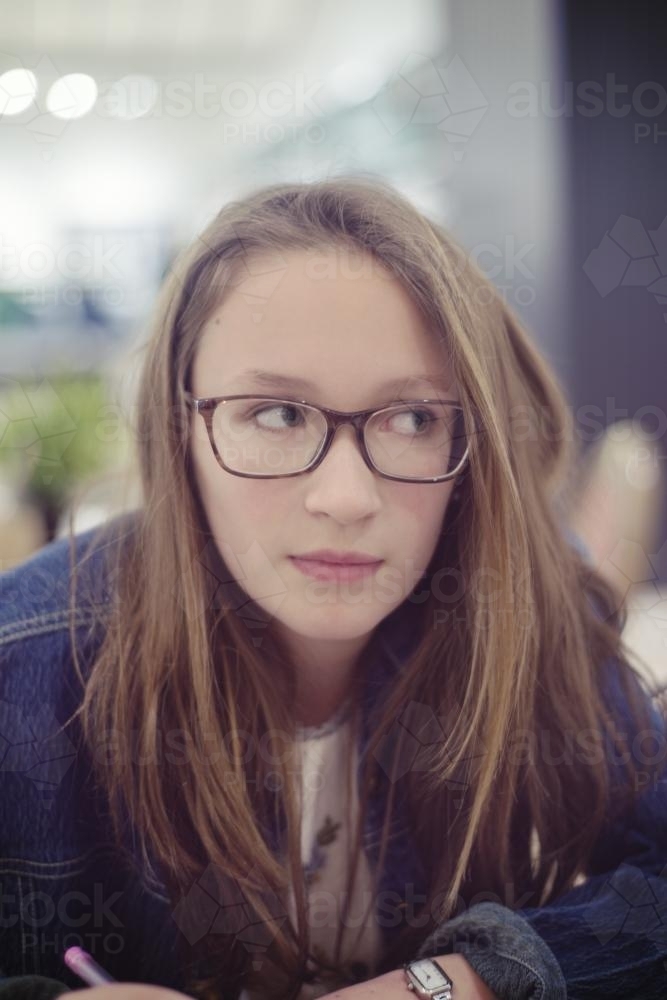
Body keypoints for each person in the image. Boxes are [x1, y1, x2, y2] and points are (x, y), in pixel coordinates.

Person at [1, 177, 665, 1000]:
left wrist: (454, 984)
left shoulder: (519, 595)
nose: (345, 498)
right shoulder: (25, 655)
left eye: (414, 418)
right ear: (181, 429)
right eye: (276, 415)